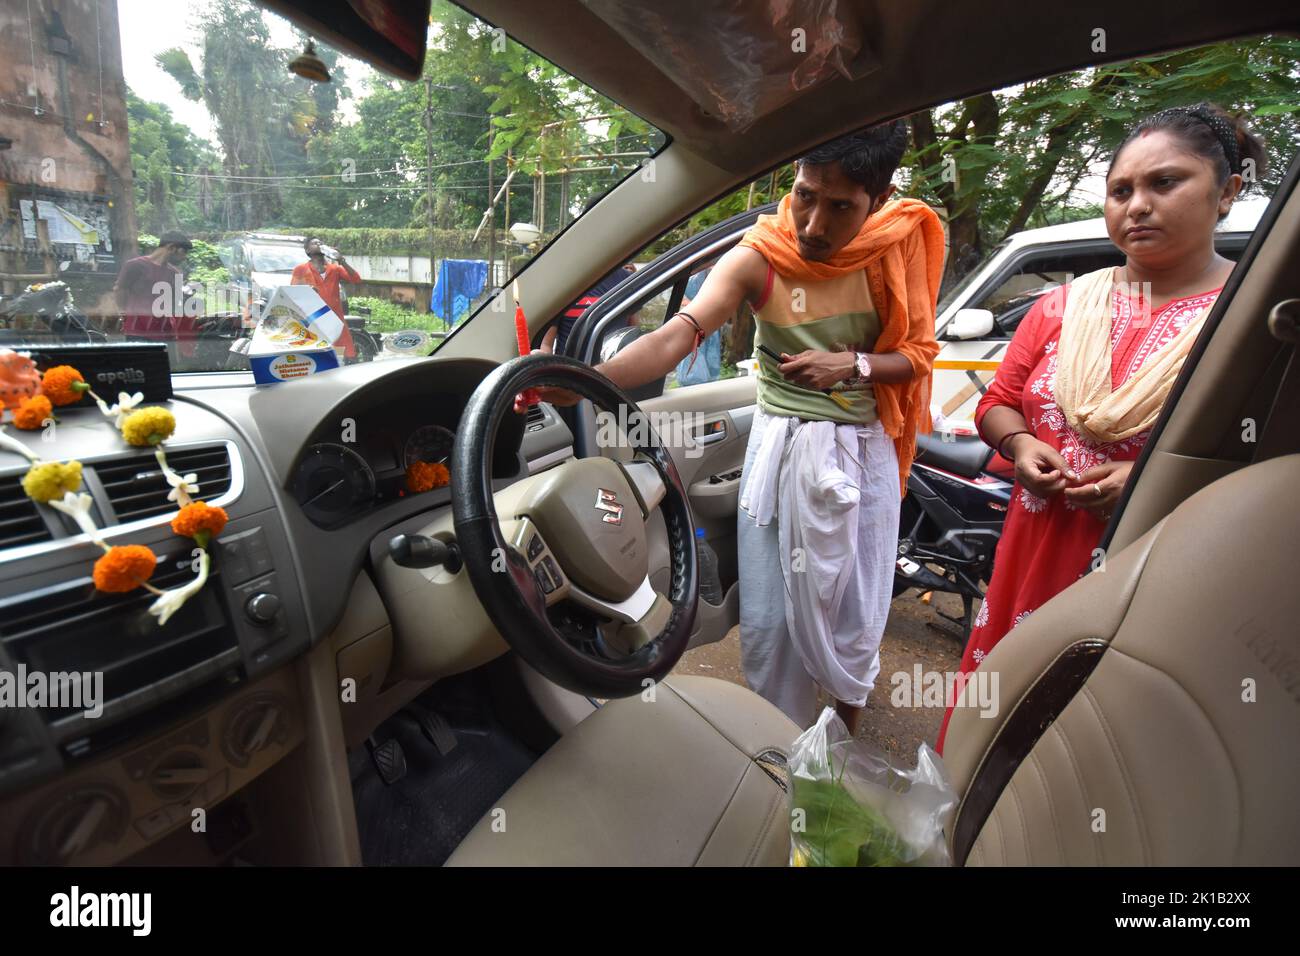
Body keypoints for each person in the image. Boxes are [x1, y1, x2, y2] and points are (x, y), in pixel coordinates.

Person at [535, 123, 944, 733]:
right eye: (806, 195)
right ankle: (779, 746)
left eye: (840, 207)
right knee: (771, 615)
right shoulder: (761, 257)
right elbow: (678, 335)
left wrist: (852, 363)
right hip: (779, 455)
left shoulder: (899, 244)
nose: (813, 224)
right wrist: (588, 380)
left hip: (864, 454)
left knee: (856, 609)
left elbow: (918, 353)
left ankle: (843, 738)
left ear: (878, 201)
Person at [935, 103, 1267, 753]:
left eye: (1164, 183)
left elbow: (1266, 461)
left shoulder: (1251, 322)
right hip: (1033, 554)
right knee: (998, 730)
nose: (1137, 205)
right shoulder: (1063, 305)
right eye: (1121, 190)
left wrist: (1151, 481)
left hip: (1155, 573)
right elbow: (998, 402)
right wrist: (1024, 443)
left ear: (1227, 192)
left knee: (1095, 748)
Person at [114, 231, 193, 349]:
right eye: (183, 251)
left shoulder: (175, 273)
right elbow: (120, 290)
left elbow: (174, 305)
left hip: (164, 331)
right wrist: (125, 314)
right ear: (171, 247)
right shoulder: (135, 266)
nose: (184, 257)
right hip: (137, 330)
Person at [291, 237, 360, 358]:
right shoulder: (301, 269)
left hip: (335, 319)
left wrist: (342, 261)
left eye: (320, 243)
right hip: (314, 318)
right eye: (314, 243)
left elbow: (356, 279)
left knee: (343, 353)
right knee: (318, 353)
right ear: (308, 250)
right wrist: (307, 290)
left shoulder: (335, 269)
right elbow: (293, 291)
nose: (318, 244)